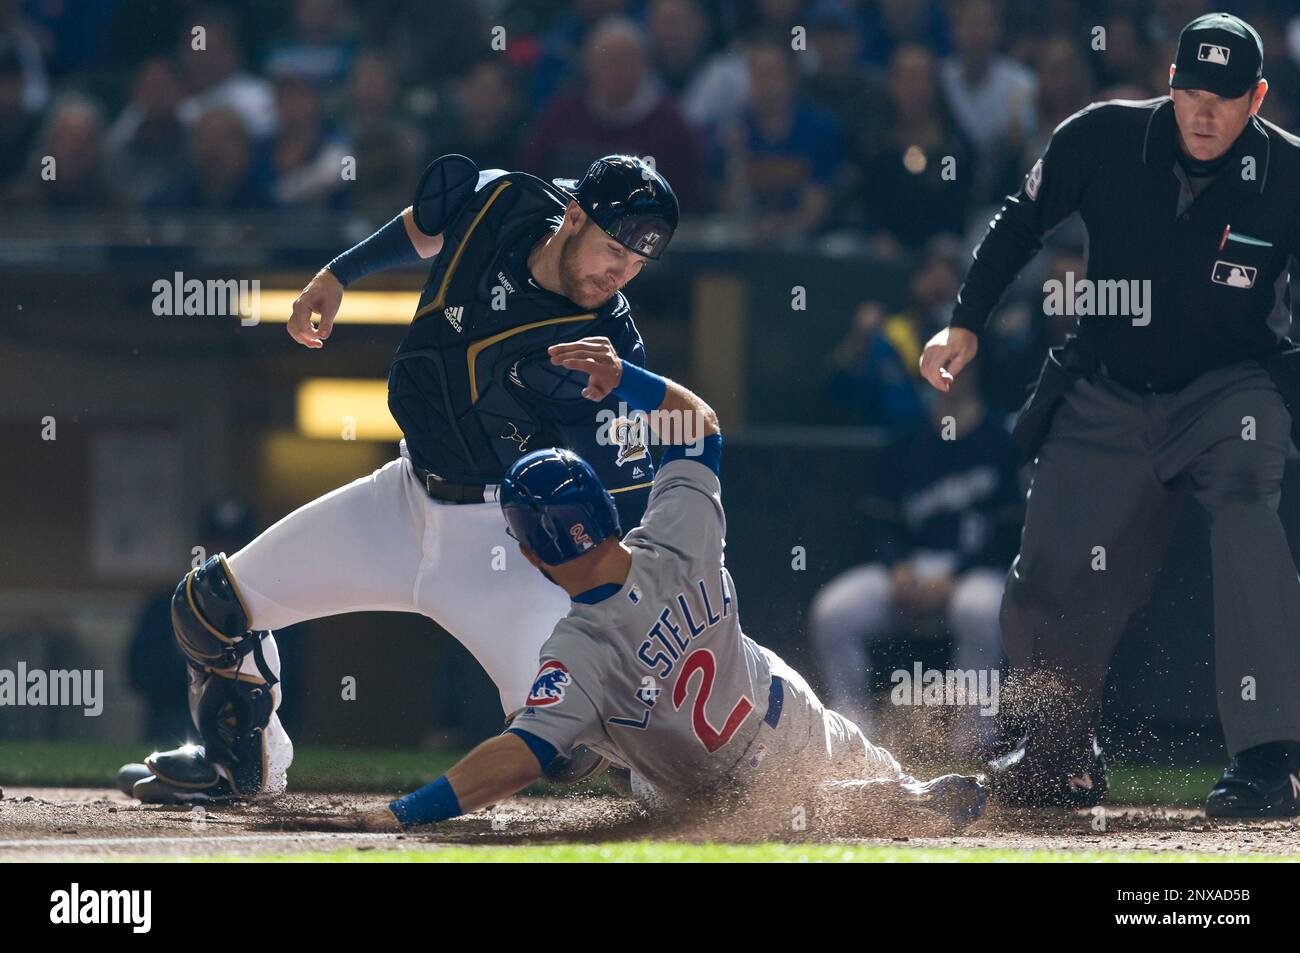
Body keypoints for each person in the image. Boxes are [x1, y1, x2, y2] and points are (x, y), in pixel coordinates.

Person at [118, 154, 679, 803]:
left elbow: (625, 495)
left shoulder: (611, 343)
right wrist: (339, 273)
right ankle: (239, 766)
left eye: (638, 262)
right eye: (614, 248)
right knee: (209, 608)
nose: (622, 271)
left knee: (568, 743)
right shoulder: (503, 201)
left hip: (502, 545)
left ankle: (684, 778)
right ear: (574, 214)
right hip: (403, 499)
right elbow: (428, 222)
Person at [323, 348, 987, 832]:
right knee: (859, 783)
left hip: (719, 791)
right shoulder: (677, 534)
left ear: (529, 552)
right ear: (608, 511)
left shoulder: (579, 648)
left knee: (583, 747)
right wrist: (623, 379)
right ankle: (893, 792)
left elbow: (518, 759)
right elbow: (699, 426)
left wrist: (403, 809)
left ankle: (837, 803)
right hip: (794, 714)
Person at [919, 13, 1300, 816]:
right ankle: (1057, 754)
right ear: (1170, 83)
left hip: (1231, 389)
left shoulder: (1290, 173)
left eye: (1225, 98)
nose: (1204, 112)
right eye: (1192, 91)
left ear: (1257, 98)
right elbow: (1020, 222)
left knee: (1247, 517)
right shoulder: (1099, 136)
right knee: (1050, 567)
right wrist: (966, 318)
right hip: (1107, 386)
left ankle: (1268, 757)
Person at [811, 362, 1019, 753]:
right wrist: (898, 567)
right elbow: (881, 525)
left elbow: (1010, 533)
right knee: (834, 611)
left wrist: (956, 574)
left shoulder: (1001, 440)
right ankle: (854, 738)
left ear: (976, 369)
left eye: (959, 365)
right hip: (911, 569)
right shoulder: (909, 439)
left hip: (976, 572)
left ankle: (974, 740)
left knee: (979, 609)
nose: (951, 376)